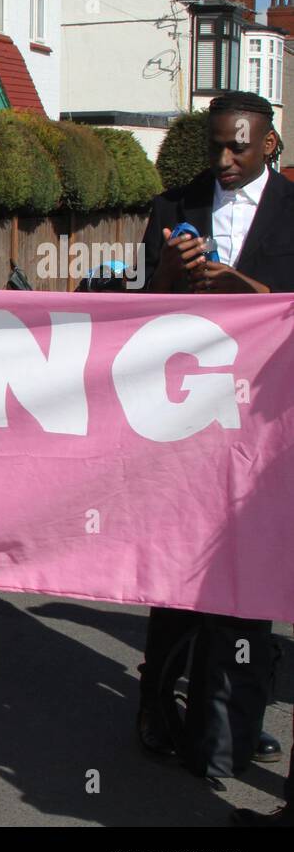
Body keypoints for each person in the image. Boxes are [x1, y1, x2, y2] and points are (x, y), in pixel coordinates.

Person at [135, 92, 290, 772]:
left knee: (250, 580)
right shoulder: (173, 207)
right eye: (215, 147)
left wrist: (241, 285)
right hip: (188, 425)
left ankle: (231, 722)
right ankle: (157, 707)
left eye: (238, 146)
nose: (224, 160)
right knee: (176, 576)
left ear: (270, 145)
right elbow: (142, 317)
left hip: (267, 430)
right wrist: (169, 278)